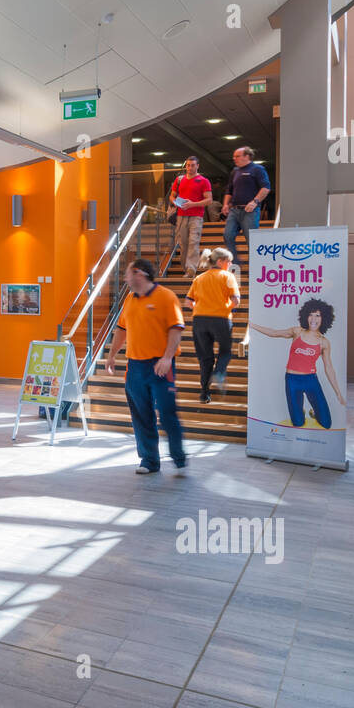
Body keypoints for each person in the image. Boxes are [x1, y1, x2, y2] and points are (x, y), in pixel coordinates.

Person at [105, 257, 187, 475]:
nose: (125, 277)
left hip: (161, 365)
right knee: (141, 415)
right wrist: (112, 355)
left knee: (168, 413)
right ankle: (149, 461)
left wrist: (168, 357)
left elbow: (176, 329)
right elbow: (122, 330)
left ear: (139, 273)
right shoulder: (129, 300)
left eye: (127, 273)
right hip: (135, 367)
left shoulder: (166, 297)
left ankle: (179, 458)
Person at [250, 298, 347, 429]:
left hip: (310, 380)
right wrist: (251, 324)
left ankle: (315, 412)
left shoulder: (324, 342)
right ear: (305, 316)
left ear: (324, 318)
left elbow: (329, 367)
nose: (313, 319)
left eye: (317, 315)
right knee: (298, 423)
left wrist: (338, 393)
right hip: (292, 380)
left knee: (326, 423)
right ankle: (300, 412)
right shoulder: (297, 332)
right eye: (310, 315)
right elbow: (274, 333)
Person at [186, 247, 241, 403]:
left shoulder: (199, 278)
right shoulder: (227, 276)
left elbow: (188, 302)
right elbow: (236, 300)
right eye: (228, 261)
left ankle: (204, 393)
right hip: (221, 319)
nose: (230, 264)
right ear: (220, 262)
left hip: (199, 321)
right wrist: (224, 308)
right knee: (225, 352)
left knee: (205, 359)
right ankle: (219, 372)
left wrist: (201, 307)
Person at [221, 146, 271, 265]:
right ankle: (235, 262)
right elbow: (229, 190)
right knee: (227, 235)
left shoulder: (257, 169)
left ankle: (256, 266)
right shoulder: (235, 171)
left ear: (247, 156)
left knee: (252, 239)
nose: (234, 158)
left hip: (250, 211)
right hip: (234, 210)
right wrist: (225, 205)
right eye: (234, 156)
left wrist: (255, 202)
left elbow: (266, 187)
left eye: (237, 156)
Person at [169, 156, 212, 278]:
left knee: (193, 242)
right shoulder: (179, 180)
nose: (190, 167)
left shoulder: (203, 181)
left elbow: (209, 200)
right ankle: (186, 268)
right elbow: (172, 196)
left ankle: (191, 269)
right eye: (188, 165)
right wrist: (176, 202)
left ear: (197, 166)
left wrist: (193, 204)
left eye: (193, 165)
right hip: (181, 216)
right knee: (183, 243)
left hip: (196, 217)